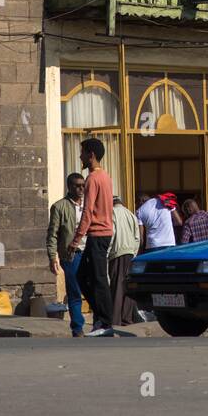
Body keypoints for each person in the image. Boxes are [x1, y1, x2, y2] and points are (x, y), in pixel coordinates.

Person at [67, 138, 116, 337]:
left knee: (98, 278)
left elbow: (87, 212)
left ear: (91, 155)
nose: (80, 156)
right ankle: (101, 317)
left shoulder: (93, 179)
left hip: (98, 233)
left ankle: (105, 322)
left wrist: (75, 240)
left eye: (83, 152)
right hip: (103, 233)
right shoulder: (105, 176)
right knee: (84, 275)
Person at [48, 173, 88, 337]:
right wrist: (52, 256)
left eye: (83, 185)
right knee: (74, 291)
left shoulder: (88, 205)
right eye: (77, 186)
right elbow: (52, 234)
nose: (81, 189)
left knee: (94, 288)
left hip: (90, 251)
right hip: (71, 254)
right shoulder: (59, 207)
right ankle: (77, 328)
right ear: (69, 187)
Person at [109, 194, 141, 327]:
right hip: (130, 253)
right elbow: (137, 237)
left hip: (117, 253)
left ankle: (115, 319)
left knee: (117, 287)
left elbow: (111, 234)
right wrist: (134, 252)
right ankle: (126, 318)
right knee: (128, 286)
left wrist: (107, 254)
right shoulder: (130, 214)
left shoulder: (112, 213)